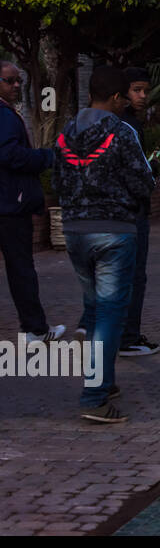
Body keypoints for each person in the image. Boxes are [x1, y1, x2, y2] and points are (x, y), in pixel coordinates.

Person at [54, 66, 155, 423]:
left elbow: (58, 178)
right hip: (113, 231)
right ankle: (94, 396)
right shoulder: (121, 130)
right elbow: (143, 181)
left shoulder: (66, 131)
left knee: (95, 308)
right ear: (116, 98)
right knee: (112, 312)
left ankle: (105, 381)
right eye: (126, 95)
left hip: (75, 230)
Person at [0, 61, 63, 343]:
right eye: (9, 81)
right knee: (21, 268)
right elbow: (10, 155)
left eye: (19, 82)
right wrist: (46, 157)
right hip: (10, 205)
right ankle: (34, 329)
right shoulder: (4, 116)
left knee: (20, 268)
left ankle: (34, 327)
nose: (16, 86)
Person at [115, 67, 160, 356]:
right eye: (137, 90)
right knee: (133, 275)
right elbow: (136, 174)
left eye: (146, 90)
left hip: (114, 212)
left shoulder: (115, 122)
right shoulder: (127, 126)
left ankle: (114, 335)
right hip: (131, 212)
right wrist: (150, 171)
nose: (143, 96)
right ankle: (127, 337)